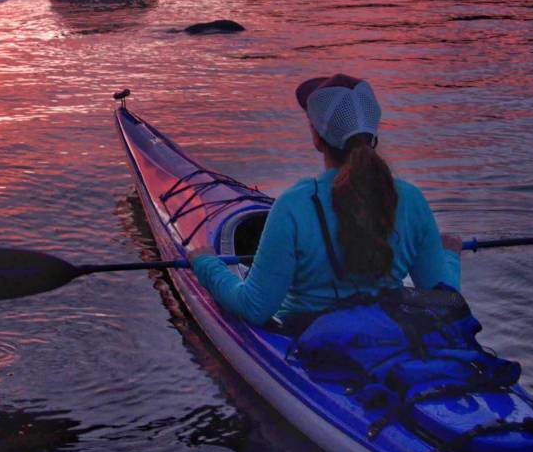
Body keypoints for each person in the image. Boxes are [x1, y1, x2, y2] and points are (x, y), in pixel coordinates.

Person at [189, 74, 460, 330]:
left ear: (317, 138)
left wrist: (206, 264)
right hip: (389, 336)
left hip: (310, 348)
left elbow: (255, 307)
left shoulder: (293, 206)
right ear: (373, 135)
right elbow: (442, 301)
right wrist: (449, 257)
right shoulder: (411, 199)